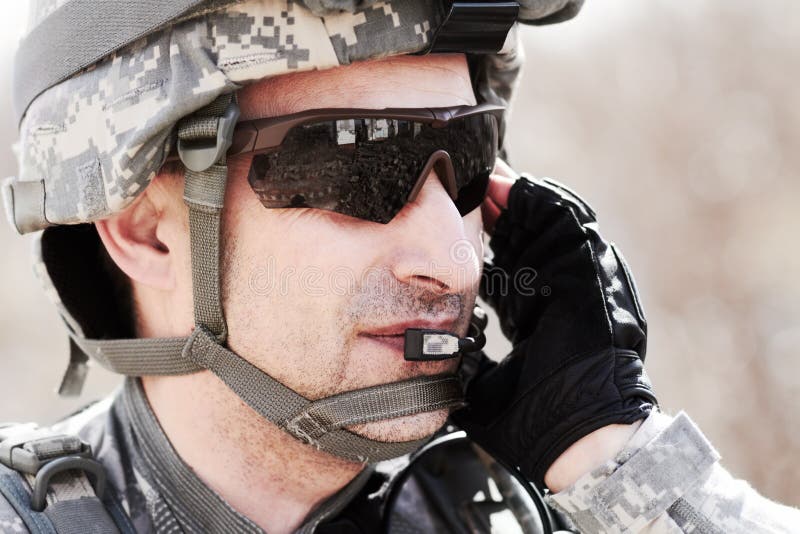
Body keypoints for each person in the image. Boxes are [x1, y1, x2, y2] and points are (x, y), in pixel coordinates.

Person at [0, 1, 796, 533]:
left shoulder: (531, 508)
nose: (453, 260)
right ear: (146, 229)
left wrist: (610, 456)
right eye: (360, 167)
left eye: (469, 165)